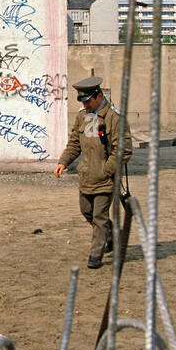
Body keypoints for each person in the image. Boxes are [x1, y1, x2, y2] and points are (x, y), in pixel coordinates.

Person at [53, 76, 133, 269]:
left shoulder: (114, 118)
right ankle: (111, 234)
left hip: (105, 179)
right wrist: (63, 162)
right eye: (82, 102)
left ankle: (95, 255)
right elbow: (74, 144)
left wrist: (107, 170)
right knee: (87, 212)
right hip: (86, 177)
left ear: (98, 96)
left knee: (99, 216)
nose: (85, 105)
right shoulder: (82, 116)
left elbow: (123, 150)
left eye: (88, 101)